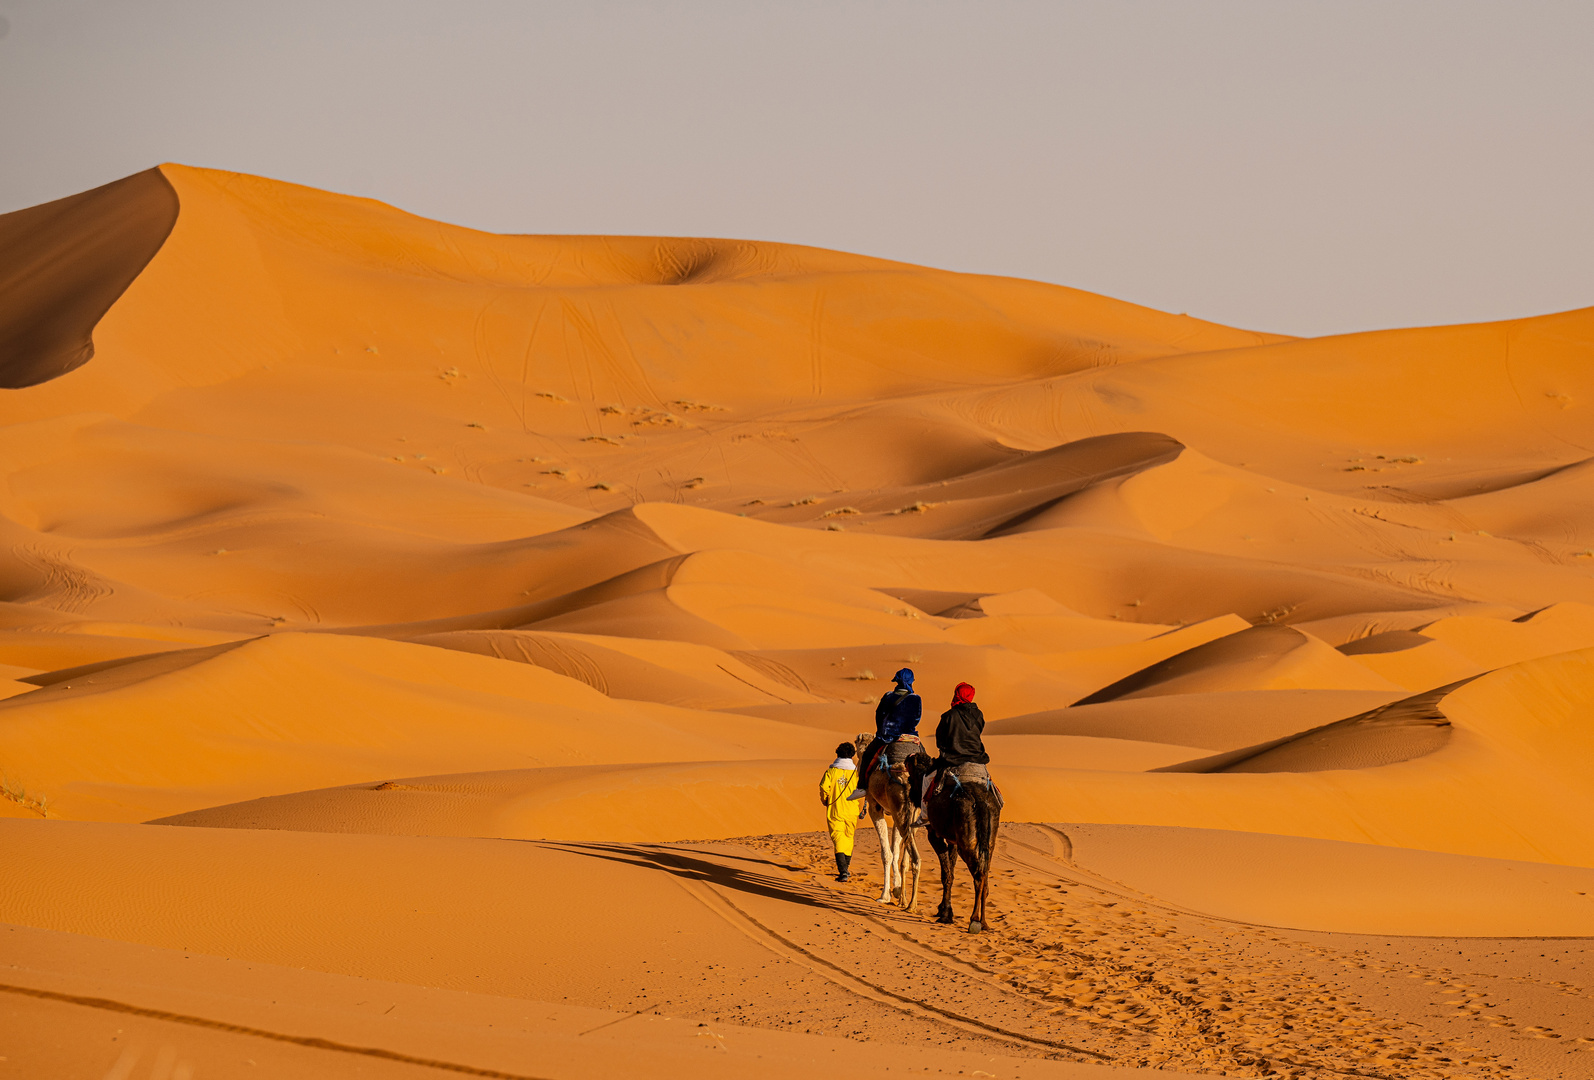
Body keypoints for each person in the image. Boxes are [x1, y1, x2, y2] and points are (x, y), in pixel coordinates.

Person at [847, 668, 922, 800]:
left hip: (887, 736)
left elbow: (879, 715)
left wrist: (882, 729)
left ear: (897, 682)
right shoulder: (916, 699)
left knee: (867, 756)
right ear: (911, 682)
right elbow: (917, 718)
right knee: (925, 760)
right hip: (910, 736)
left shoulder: (888, 696)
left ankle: (862, 787)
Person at [818, 742, 865, 880]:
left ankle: (843, 870)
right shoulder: (856, 774)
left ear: (837, 753)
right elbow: (862, 790)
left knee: (838, 837)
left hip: (836, 809)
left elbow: (823, 788)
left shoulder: (831, 772)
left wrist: (825, 799)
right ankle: (846, 869)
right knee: (849, 837)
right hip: (852, 811)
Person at [935, 681, 989, 771]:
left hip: (952, 759)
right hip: (977, 757)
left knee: (928, 778)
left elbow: (939, 741)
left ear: (957, 695)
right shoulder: (979, 715)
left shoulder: (949, 715)